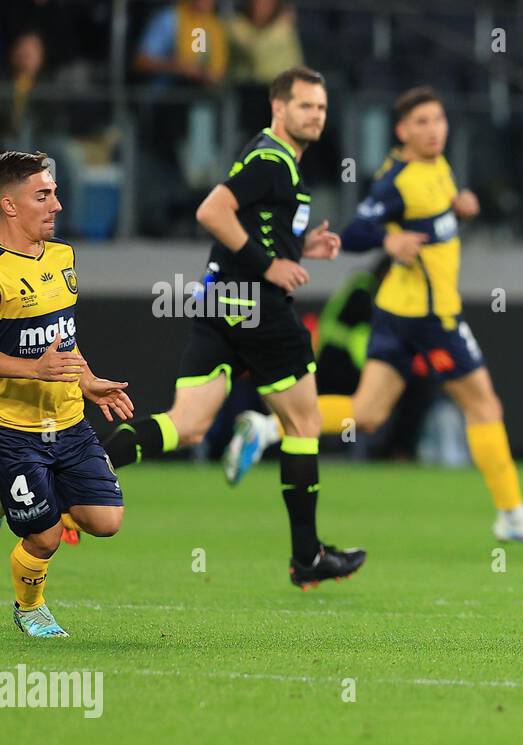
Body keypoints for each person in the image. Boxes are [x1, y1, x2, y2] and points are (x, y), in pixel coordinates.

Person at [221, 86, 523, 548]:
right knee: (484, 405)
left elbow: (427, 226)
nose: (433, 130)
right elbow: (359, 230)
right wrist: (388, 242)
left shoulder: (437, 169)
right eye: (421, 122)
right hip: (429, 316)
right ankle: (512, 514)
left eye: (438, 120)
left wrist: (456, 211)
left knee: (366, 413)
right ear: (402, 130)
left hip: (396, 312)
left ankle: (266, 427)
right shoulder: (399, 179)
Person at [103, 66, 366, 589]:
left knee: (188, 424)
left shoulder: (271, 159)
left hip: (221, 299)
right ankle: (307, 557)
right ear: (278, 107)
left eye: (322, 108)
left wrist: (300, 247)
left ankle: (76, 472)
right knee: (305, 425)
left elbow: (247, 223)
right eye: (305, 105)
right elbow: (213, 210)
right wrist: (270, 266)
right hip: (260, 306)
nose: (316, 115)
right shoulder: (271, 160)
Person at [0, 150, 134, 636]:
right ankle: (29, 606)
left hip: (69, 422)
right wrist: (33, 370)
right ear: (9, 205)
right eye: (43, 195)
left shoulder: (62, 257)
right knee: (46, 536)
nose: (57, 204)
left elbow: (64, 339)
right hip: (12, 430)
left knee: (107, 520)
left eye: (54, 192)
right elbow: (39, 360)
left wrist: (87, 379)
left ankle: (30, 501)